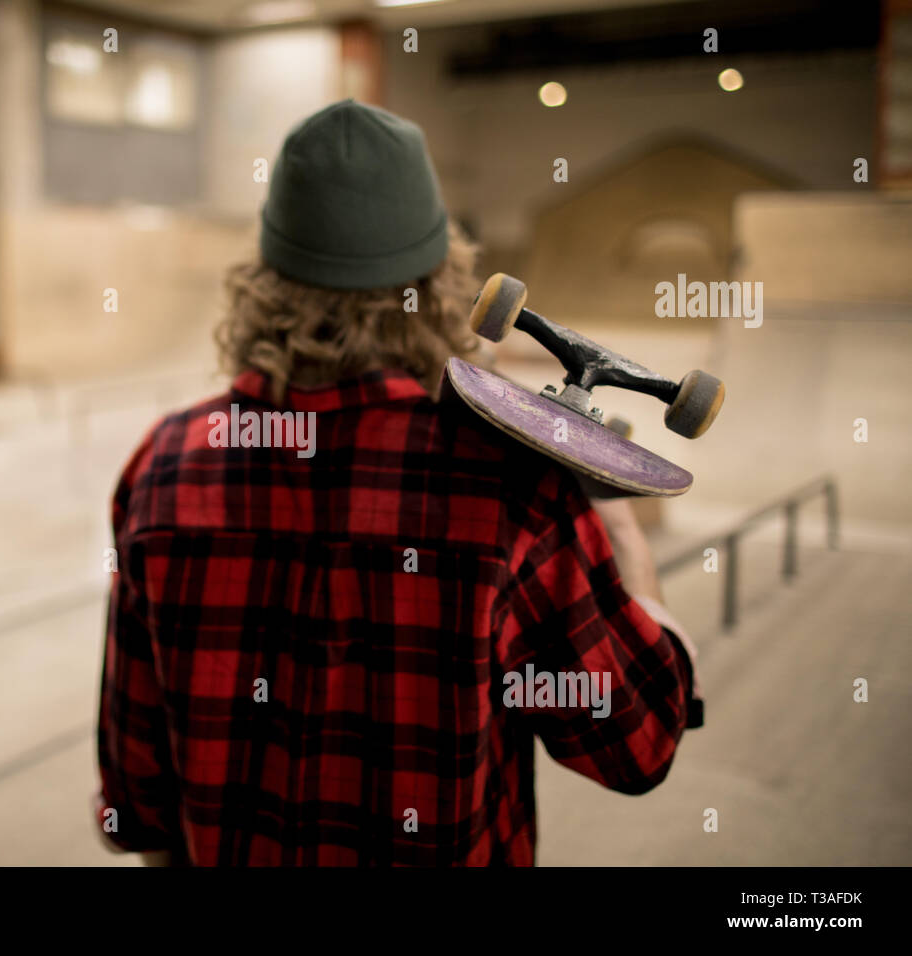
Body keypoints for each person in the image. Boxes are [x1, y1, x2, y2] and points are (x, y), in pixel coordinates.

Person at [95, 100, 702, 866]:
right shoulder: (510, 490)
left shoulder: (167, 465)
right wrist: (616, 534)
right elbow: (637, 743)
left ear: (263, 281)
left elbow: (134, 809)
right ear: (445, 282)